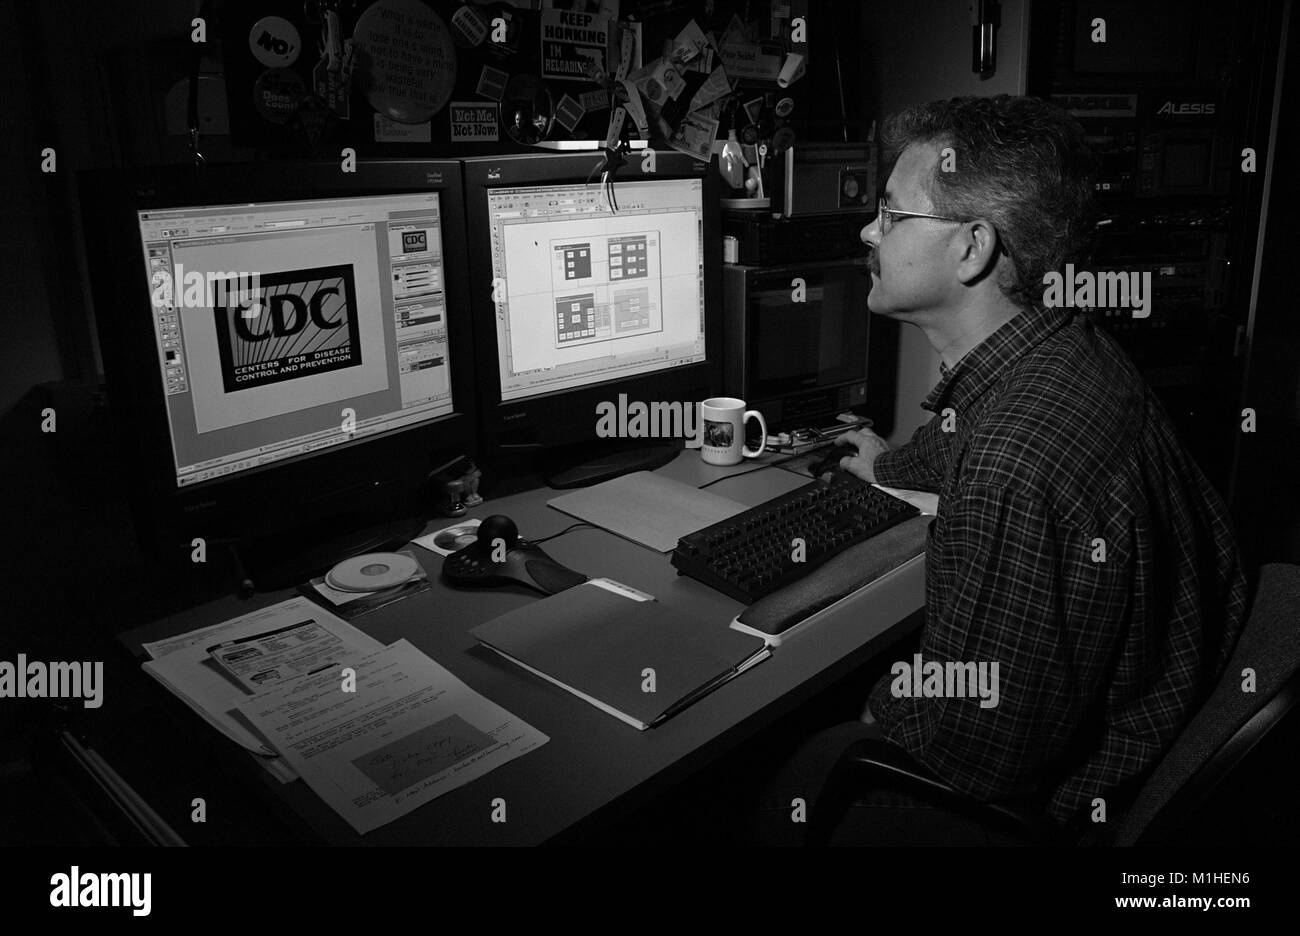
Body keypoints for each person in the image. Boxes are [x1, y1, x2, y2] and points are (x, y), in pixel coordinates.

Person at [756, 95, 1248, 844]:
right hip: (1163, 718)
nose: (868, 230)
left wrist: (888, 698)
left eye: (891, 214)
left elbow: (978, 759)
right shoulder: (1065, 350)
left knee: (806, 755)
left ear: (972, 247)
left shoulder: (1012, 465)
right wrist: (888, 465)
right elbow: (967, 431)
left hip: (1054, 815)